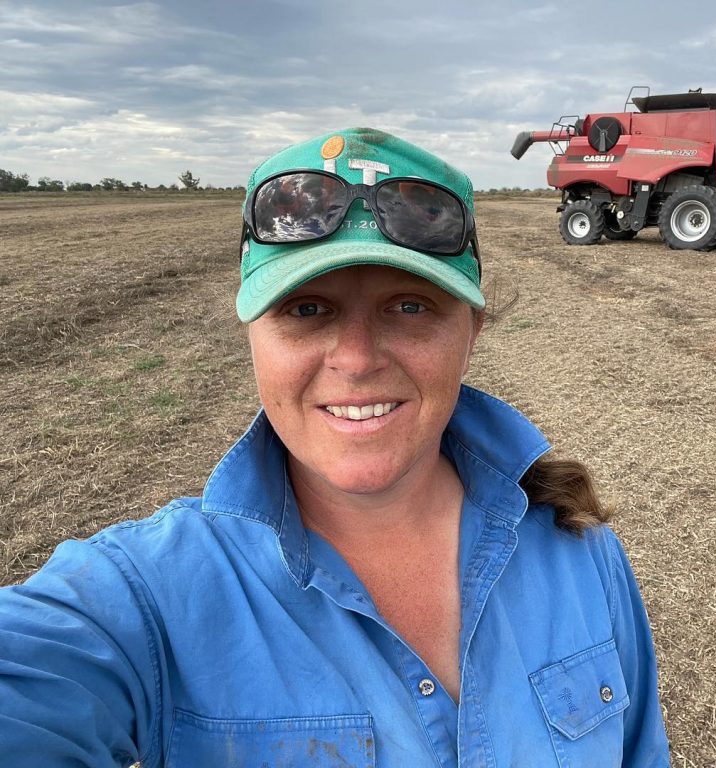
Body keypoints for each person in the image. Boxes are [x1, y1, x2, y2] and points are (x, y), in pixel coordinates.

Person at [0, 128, 670, 767]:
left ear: (471, 333)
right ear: (252, 335)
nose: (355, 360)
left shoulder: (578, 549)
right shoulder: (147, 596)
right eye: (307, 310)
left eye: (409, 307)